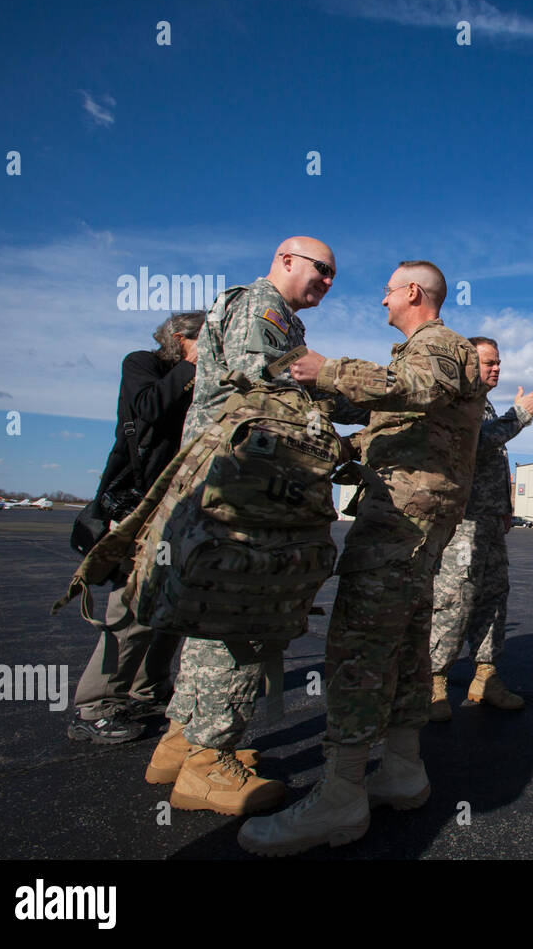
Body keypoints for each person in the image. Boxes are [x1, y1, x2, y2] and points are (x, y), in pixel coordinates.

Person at [237, 260, 487, 856]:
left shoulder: (440, 346)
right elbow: (388, 414)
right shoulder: (417, 358)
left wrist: (330, 368)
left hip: (404, 522)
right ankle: (402, 770)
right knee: (400, 647)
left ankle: (340, 796)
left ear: (412, 293)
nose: (380, 302)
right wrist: (316, 397)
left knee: (357, 646)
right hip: (411, 519)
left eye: (387, 291)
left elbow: (417, 389)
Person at [148, 237, 340, 817]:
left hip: (240, 482)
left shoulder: (281, 320)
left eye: (333, 275)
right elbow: (265, 389)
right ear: (286, 259)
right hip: (239, 483)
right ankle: (207, 764)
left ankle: (181, 741)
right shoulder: (262, 309)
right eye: (321, 269)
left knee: (215, 609)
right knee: (240, 612)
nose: (327, 282)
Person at [67, 312, 203, 746]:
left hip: (185, 506)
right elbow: (149, 409)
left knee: (173, 603)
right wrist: (192, 365)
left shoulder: (208, 382)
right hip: (141, 502)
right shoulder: (143, 364)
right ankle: (94, 706)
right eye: (208, 338)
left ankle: (148, 690)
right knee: (133, 603)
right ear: (181, 340)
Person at [427, 339, 533, 717]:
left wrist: (505, 507)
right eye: (487, 362)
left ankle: (486, 675)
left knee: (493, 597)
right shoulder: (455, 400)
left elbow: (495, 460)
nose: (495, 368)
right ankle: (432, 682)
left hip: (489, 520)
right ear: (466, 363)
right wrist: (519, 416)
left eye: (498, 362)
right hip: (461, 522)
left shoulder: (488, 404)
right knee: (454, 599)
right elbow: (474, 445)